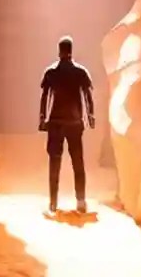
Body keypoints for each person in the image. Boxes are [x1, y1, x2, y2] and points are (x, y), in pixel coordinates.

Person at [38, 34, 95, 213]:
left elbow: (45, 96)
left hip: (55, 122)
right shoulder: (80, 72)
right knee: (78, 162)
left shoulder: (51, 72)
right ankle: (81, 201)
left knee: (55, 163)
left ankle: (53, 202)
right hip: (74, 122)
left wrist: (42, 118)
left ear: (59, 51)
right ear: (71, 51)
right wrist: (90, 116)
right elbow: (87, 95)